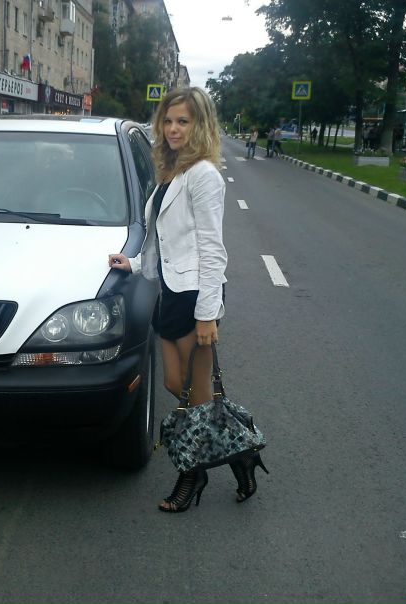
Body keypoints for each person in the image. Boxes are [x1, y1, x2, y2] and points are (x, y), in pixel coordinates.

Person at [109, 88, 266, 513]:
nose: (174, 129)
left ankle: (191, 475)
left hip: (196, 295)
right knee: (176, 386)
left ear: (200, 125)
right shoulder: (172, 171)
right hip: (171, 291)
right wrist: (135, 263)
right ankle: (241, 452)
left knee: (195, 395)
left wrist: (208, 314)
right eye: (168, 120)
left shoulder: (204, 175)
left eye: (184, 121)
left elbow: (212, 249)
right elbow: (166, 240)